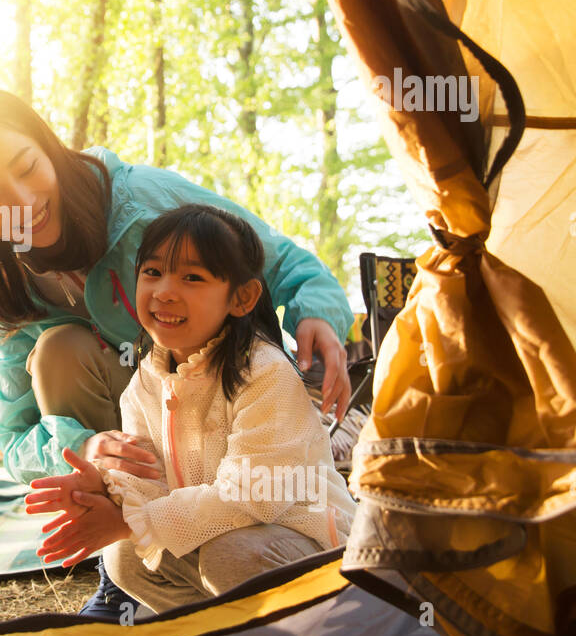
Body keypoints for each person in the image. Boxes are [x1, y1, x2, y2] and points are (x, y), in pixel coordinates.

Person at [0, 87, 353, 618]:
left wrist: (316, 314)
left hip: (229, 411)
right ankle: (135, 582)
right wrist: (85, 448)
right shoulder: (9, 289)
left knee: (233, 554)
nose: (24, 202)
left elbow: (275, 257)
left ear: (49, 148)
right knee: (60, 352)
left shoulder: (143, 201)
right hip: (156, 425)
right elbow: (14, 436)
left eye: (27, 166)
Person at [25, 204, 357, 613]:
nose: (164, 291)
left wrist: (134, 521)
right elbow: (150, 482)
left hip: (308, 545)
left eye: (192, 277)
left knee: (228, 556)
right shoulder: (146, 379)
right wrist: (107, 490)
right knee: (125, 558)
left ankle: (304, 633)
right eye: (152, 272)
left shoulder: (266, 372)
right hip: (220, 539)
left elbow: (253, 495)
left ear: (242, 297)